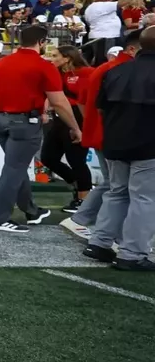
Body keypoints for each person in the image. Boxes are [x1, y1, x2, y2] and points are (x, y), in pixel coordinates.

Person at [0, 23, 79, 233]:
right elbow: (59, 101)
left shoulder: (0, 64)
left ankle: (32, 210)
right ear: (41, 42)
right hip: (24, 121)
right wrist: (75, 126)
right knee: (14, 168)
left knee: (15, 165)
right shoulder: (44, 66)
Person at [82, 26, 155, 270]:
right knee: (144, 198)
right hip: (148, 144)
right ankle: (132, 253)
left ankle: (99, 242)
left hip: (115, 141)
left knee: (116, 192)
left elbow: (100, 108)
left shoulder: (116, 71)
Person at [61, 32, 139, 238]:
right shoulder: (121, 70)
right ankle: (107, 234)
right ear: (132, 49)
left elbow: (84, 102)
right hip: (113, 134)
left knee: (112, 184)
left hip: (102, 132)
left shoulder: (103, 69)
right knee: (119, 187)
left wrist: (92, 124)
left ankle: (82, 220)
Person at [41, 46, 93, 213]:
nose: (52, 58)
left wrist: (82, 125)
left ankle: (83, 199)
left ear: (67, 58)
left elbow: (86, 99)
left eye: (56, 56)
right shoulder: (56, 73)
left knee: (77, 159)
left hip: (78, 116)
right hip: (60, 117)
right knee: (48, 157)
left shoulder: (86, 72)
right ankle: (78, 186)